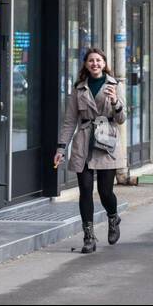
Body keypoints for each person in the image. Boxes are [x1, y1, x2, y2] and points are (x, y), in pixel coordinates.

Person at [55, 47, 126, 254]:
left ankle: (113, 217)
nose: (95, 64)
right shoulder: (78, 88)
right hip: (84, 142)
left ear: (104, 64)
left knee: (105, 192)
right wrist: (61, 147)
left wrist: (115, 102)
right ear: (86, 64)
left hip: (107, 141)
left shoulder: (115, 85)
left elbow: (121, 119)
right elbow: (69, 121)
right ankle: (88, 237)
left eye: (99, 60)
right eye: (91, 61)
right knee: (85, 190)